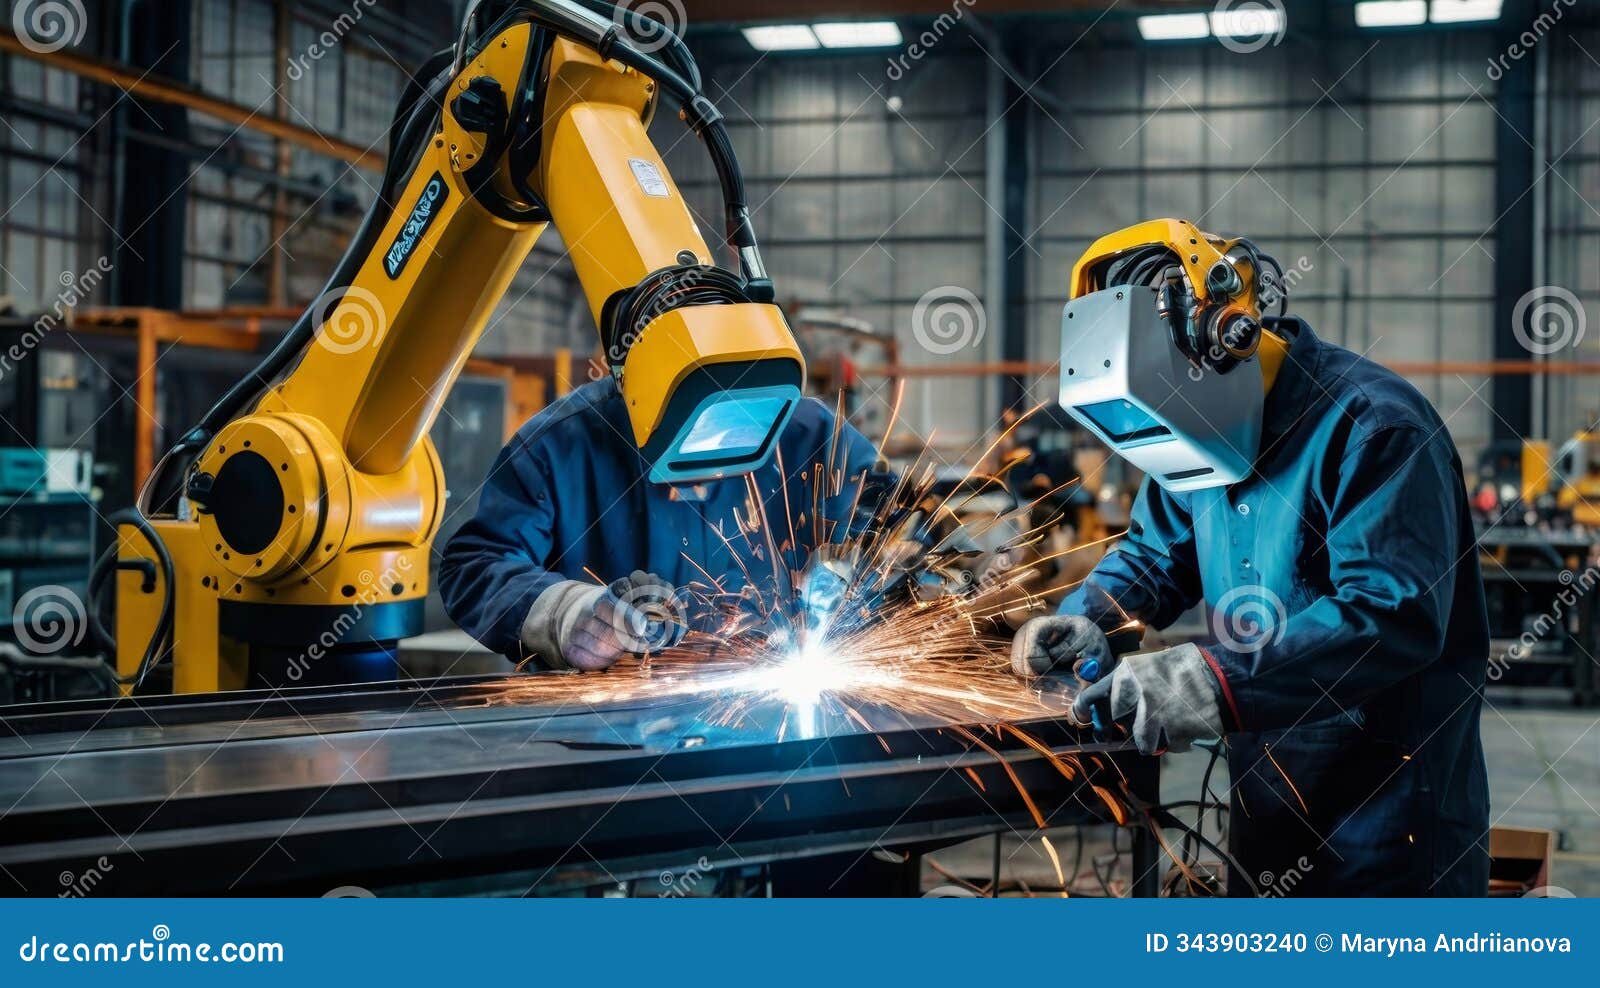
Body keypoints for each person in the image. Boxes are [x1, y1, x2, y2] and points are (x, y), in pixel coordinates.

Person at [1011, 235, 1490, 896]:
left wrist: (1211, 680)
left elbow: (1389, 615)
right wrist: (1089, 618)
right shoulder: (1193, 425)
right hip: (1268, 804)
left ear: (1230, 338)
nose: (1172, 453)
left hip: (1387, 823)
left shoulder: (1376, 429)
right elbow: (1155, 555)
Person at [438, 375, 880, 670]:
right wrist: (565, 613)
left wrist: (869, 568)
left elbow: (894, 526)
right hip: (605, 735)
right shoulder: (561, 443)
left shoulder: (808, 433)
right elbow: (475, 564)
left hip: (769, 721)